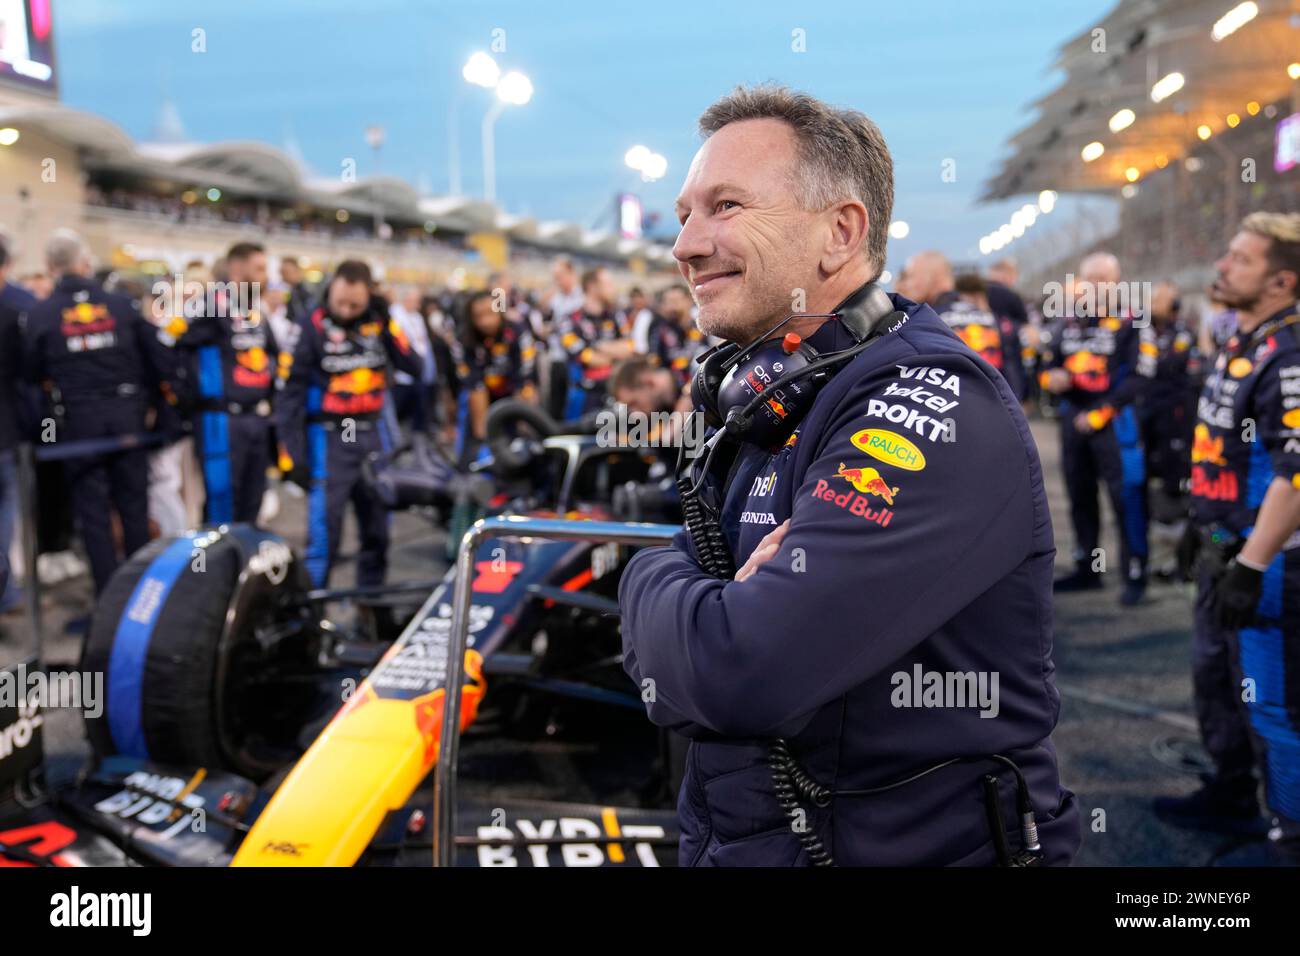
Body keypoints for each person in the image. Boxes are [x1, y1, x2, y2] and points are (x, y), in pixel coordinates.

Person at [618, 84, 1079, 867]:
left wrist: (646, 573)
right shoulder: (780, 387)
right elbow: (720, 637)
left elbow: (740, 671)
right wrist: (704, 588)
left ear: (841, 231)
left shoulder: (930, 401)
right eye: (687, 212)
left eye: (725, 207)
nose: (684, 244)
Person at [1155, 213, 1300, 863]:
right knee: (1216, 681)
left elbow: (1297, 471)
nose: (1222, 265)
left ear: (1282, 281)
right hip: (1224, 547)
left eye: (1241, 260)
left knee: (1273, 705)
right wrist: (1197, 526)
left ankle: (1290, 831)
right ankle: (1235, 794)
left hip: (1266, 563)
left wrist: (1251, 561)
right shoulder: (1242, 340)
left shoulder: (1290, 352)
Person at [22, 230, 172, 594]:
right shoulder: (121, 305)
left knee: (94, 516)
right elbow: (157, 360)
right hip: (127, 419)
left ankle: (109, 600)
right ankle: (140, 597)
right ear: (85, 264)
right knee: (134, 508)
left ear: (50, 267)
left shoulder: (42, 312)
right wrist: (157, 406)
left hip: (80, 423)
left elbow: (31, 372)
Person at [275, 260, 420, 589]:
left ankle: (370, 607)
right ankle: (311, 616)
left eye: (355, 304)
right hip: (329, 440)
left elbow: (414, 364)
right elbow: (288, 394)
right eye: (340, 301)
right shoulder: (309, 324)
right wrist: (292, 456)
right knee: (325, 534)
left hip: (373, 438)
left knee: (378, 531)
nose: (346, 310)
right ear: (331, 289)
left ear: (369, 295)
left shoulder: (379, 321)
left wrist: (387, 321)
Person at [1041, 252, 1154, 604]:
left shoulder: (1134, 319)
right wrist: (1051, 378)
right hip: (1074, 421)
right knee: (1080, 497)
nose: (1096, 286)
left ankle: (1135, 574)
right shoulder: (1068, 319)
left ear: (1117, 282)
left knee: (1126, 499)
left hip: (1116, 423)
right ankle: (1088, 569)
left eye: (1103, 279)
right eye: (1090, 279)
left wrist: (1102, 413)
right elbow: (1046, 366)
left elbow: (1143, 375)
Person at [175, 242, 279, 525]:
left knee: (253, 500)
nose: (265, 275)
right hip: (220, 421)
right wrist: (190, 400)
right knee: (222, 502)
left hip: (256, 419)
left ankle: (243, 563)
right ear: (237, 268)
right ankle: (217, 567)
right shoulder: (209, 304)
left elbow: (273, 352)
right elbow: (176, 347)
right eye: (259, 268)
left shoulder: (253, 308)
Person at [902, 251, 1023, 396]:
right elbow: (1010, 372)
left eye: (912, 276)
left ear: (933, 276)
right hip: (995, 406)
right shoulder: (987, 316)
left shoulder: (926, 322)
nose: (908, 284)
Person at [450, 289, 537, 458]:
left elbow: (525, 370)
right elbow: (470, 378)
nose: (485, 321)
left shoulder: (517, 331)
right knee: (473, 397)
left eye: (490, 313)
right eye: (478, 316)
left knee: (528, 393)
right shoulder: (462, 338)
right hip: (482, 392)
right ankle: (481, 449)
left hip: (513, 389)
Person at [0, 232, 34, 611]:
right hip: (7, 434)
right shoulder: (15, 311)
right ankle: (7, 594)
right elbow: (30, 375)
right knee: (5, 517)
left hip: (8, 435)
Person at [554, 266, 634, 418]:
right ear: (592, 287)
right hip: (585, 400)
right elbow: (591, 359)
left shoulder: (617, 315)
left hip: (618, 394)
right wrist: (615, 353)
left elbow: (629, 348)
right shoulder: (569, 321)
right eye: (608, 284)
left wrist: (597, 345)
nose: (613, 288)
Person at [645, 283, 709, 387]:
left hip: (699, 383)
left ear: (688, 301)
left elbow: (707, 353)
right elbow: (654, 362)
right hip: (672, 387)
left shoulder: (700, 326)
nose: (671, 306)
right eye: (667, 302)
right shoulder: (659, 328)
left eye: (675, 301)